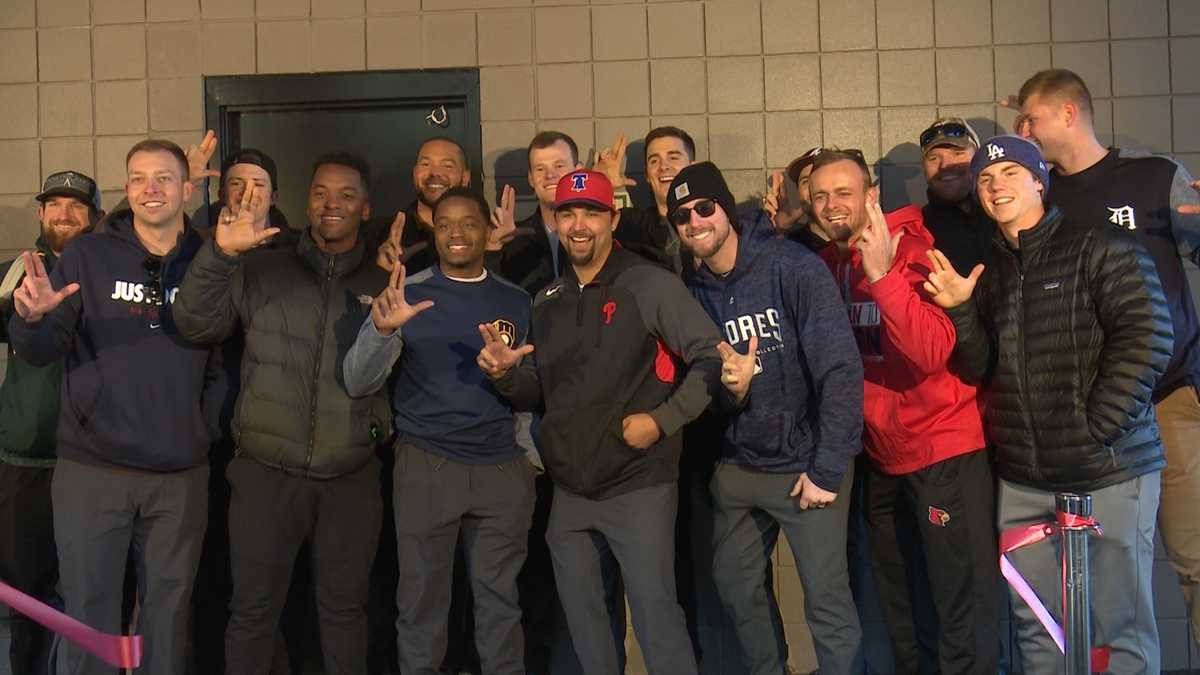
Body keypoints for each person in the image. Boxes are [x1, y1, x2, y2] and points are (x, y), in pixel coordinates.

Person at [926, 134, 1172, 673]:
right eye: (985, 179)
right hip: (1024, 481)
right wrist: (962, 312)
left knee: (1118, 629)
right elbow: (980, 368)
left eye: (1010, 173)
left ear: (1040, 181)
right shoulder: (990, 271)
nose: (996, 186)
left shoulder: (1099, 245)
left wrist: (1097, 427)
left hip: (1108, 470)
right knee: (1037, 627)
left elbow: (1149, 335)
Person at [478, 169, 721, 675]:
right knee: (587, 631)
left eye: (591, 212)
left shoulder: (649, 284)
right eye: (567, 214)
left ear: (612, 218)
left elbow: (711, 359)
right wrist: (506, 376)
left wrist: (662, 421)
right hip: (571, 494)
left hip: (638, 484)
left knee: (657, 621)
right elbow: (542, 389)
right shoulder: (547, 300)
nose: (578, 225)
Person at [7, 140, 221, 675]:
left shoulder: (208, 259)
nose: (151, 189)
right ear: (127, 190)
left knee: (168, 619)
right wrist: (31, 321)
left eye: (164, 178)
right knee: (89, 616)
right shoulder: (88, 256)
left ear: (187, 190)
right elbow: (43, 347)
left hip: (178, 476)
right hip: (92, 472)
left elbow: (224, 358)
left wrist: (202, 429)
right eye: (139, 178)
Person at [174, 153, 390, 675]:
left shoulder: (384, 280)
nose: (331, 204)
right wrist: (220, 255)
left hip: (350, 476)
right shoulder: (262, 266)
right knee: (253, 613)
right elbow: (197, 324)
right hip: (264, 475)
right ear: (305, 202)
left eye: (346, 195)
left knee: (344, 614)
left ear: (365, 208)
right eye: (320, 193)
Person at [1016, 69, 1200, 643]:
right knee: (1107, 577)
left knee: (1195, 557)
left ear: (1069, 113)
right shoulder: (1041, 197)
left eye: (1031, 119)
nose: (1024, 132)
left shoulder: (1155, 177)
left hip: (1167, 399)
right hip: (1088, 418)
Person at [670, 161, 865, 674]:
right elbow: (710, 394)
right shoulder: (693, 294)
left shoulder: (792, 267)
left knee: (826, 600)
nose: (695, 221)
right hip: (740, 466)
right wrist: (733, 393)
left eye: (704, 208)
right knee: (735, 587)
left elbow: (841, 369)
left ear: (726, 210)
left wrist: (827, 467)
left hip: (806, 463)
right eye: (682, 216)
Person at [809, 149, 1000, 674]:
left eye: (844, 193)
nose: (832, 205)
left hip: (943, 452)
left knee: (961, 610)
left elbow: (929, 354)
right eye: (820, 196)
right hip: (882, 458)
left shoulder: (913, 250)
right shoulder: (826, 265)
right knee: (904, 610)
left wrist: (882, 276)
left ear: (871, 197)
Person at [343, 187, 535, 675]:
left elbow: (534, 390)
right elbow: (358, 380)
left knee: (500, 608)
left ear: (488, 231)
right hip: (427, 466)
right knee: (421, 607)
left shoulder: (516, 299)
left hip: (502, 470)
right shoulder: (405, 293)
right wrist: (383, 330)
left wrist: (507, 376)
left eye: (468, 223)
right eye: (445, 224)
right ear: (434, 232)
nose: (456, 233)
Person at [0, 171, 101, 675]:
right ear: (40, 213)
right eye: (54, 204)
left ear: (95, 217)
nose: (64, 214)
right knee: (27, 602)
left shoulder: (110, 274)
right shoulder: (13, 275)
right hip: (26, 461)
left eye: (76, 206)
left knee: (96, 594)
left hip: (96, 464)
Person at [376, 137, 472, 276]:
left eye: (447, 166)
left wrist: (493, 252)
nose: (435, 173)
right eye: (426, 164)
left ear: (465, 178)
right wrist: (382, 272)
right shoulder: (379, 236)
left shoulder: (482, 235)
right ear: (415, 174)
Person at [918, 118, 993, 275]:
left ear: (979, 158)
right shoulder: (917, 230)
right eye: (933, 158)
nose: (945, 165)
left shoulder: (1006, 212)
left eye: (957, 153)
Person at [763, 146, 829, 251]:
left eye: (823, 178)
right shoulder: (791, 245)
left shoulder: (857, 241)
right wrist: (776, 231)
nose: (814, 187)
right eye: (806, 181)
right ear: (799, 193)